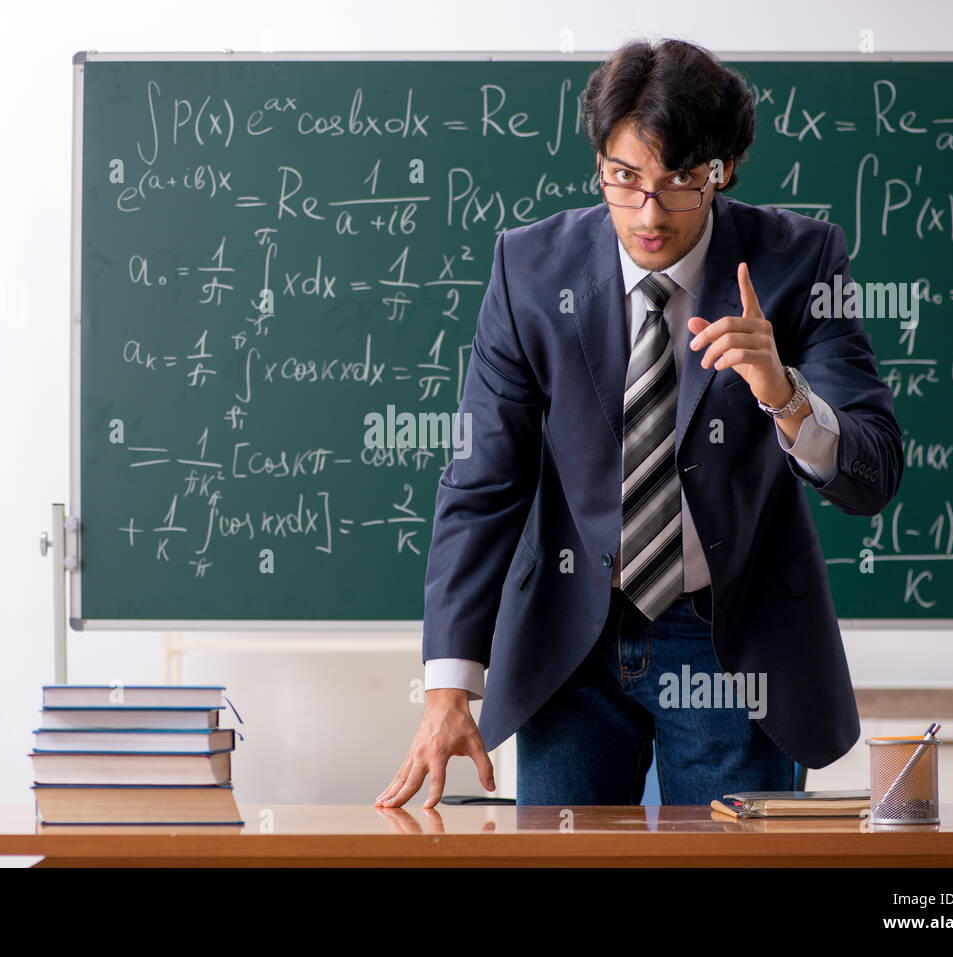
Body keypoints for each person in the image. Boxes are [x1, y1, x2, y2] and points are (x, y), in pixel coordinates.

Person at [376, 38, 903, 809]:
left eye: (680, 181)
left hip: (729, 642)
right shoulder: (530, 270)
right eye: (624, 179)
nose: (648, 212)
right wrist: (448, 685)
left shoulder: (799, 261)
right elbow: (482, 480)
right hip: (570, 638)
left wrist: (784, 393)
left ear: (722, 170)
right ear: (599, 163)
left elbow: (874, 472)